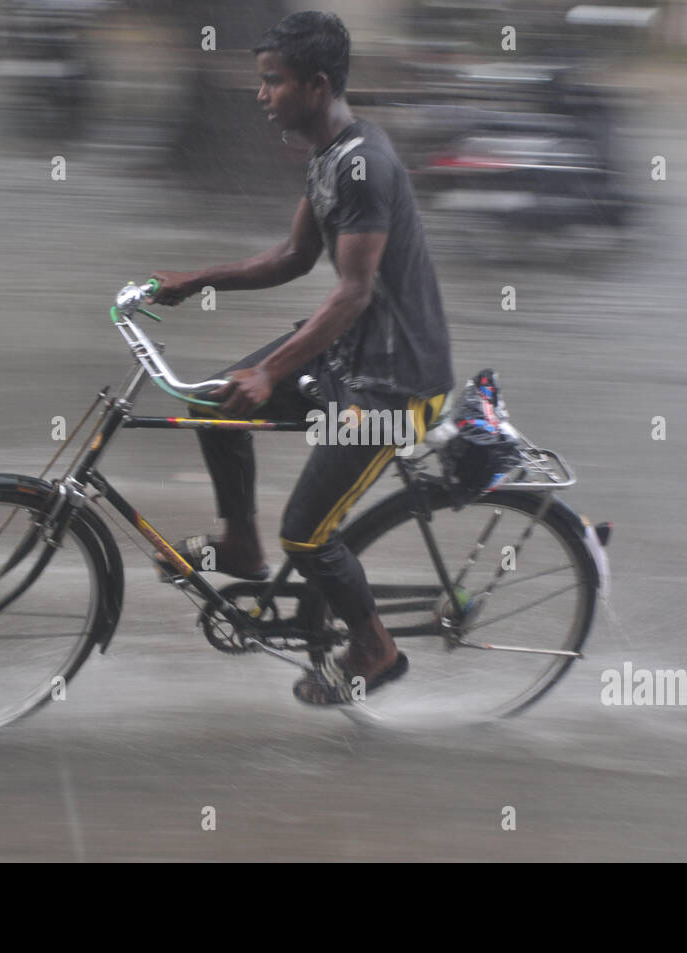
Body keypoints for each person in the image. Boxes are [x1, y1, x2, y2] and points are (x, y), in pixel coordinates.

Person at [146, 11, 454, 705]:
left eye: (272, 82)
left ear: (316, 87)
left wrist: (271, 371)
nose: (261, 94)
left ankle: (375, 647)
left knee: (308, 535)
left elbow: (352, 292)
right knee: (209, 402)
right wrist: (197, 281)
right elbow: (292, 258)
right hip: (351, 359)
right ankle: (241, 546)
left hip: (396, 389)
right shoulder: (328, 156)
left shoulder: (364, 166)